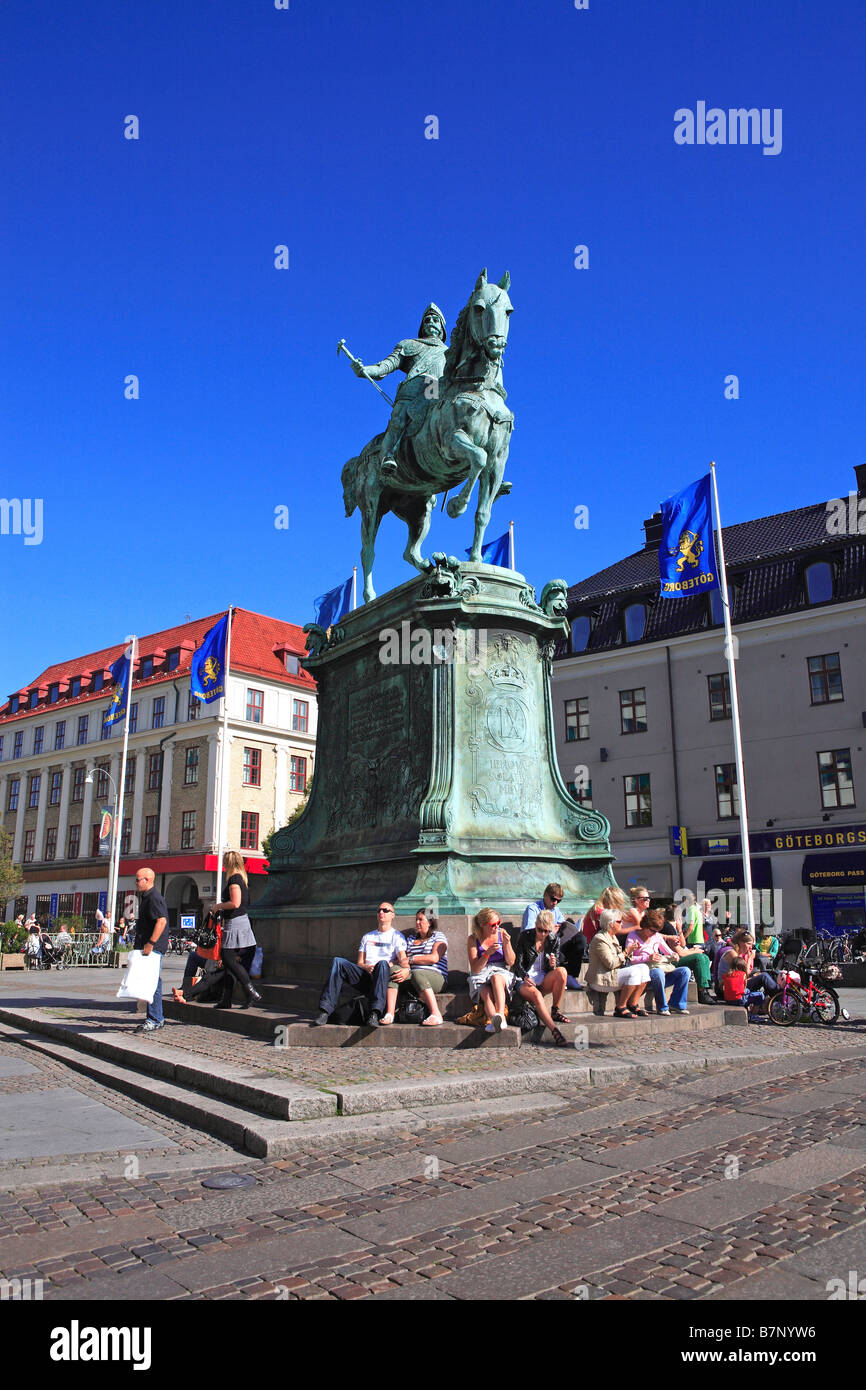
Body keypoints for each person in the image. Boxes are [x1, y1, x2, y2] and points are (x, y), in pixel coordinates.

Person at [350, 304, 448, 482]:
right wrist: (364, 370)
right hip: (411, 390)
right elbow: (385, 366)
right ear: (421, 326)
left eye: (435, 320)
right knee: (399, 419)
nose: (431, 323)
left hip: (435, 388)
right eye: (427, 320)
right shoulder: (409, 345)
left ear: (442, 327)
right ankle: (387, 456)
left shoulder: (450, 352)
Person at [312, 903, 410, 1028]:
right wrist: (367, 967)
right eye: (379, 910)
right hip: (366, 975)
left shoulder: (397, 936)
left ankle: (374, 1013)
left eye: (386, 910)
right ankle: (325, 1011)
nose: (381, 912)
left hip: (382, 977)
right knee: (338, 961)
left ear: (393, 915)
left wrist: (406, 968)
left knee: (383, 964)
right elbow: (360, 962)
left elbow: (402, 958)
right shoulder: (367, 936)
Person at [211, 850, 262, 1010]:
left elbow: (235, 903)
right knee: (229, 965)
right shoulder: (241, 878)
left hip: (236, 923)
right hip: (240, 922)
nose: (223, 865)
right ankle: (227, 998)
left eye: (225, 862)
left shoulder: (234, 879)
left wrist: (218, 906)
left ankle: (251, 991)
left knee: (228, 959)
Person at [511, 908, 569, 1046]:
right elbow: (517, 964)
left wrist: (553, 965)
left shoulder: (554, 939)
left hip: (542, 977)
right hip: (524, 978)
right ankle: (555, 1031)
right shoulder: (525, 936)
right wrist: (525, 976)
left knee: (562, 971)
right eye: (540, 930)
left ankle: (555, 1010)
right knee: (536, 995)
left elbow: (553, 967)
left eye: (547, 931)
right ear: (535, 926)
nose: (543, 934)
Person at [586, 907, 651, 1018]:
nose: (622, 924)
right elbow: (611, 963)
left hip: (612, 975)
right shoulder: (600, 939)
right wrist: (626, 952)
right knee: (634, 972)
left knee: (644, 968)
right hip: (601, 979)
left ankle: (632, 1004)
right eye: (619, 921)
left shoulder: (612, 937)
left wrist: (631, 951)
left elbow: (620, 960)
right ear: (611, 924)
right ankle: (620, 1007)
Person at [626, 908, 691, 1015]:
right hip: (643, 977)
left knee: (685, 971)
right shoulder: (633, 936)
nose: (654, 933)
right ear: (645, 926)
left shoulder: (655, 936)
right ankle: (662, 1007)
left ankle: (677, 1004)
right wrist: (648, 958)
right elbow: (630, 960)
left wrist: (674, 955)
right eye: (652, 930)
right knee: (658, 972)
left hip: (657, 974)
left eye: (656, 931)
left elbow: (668, 951)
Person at [132, 867, 169, 1033]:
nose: (136, 882)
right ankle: (156, 1017)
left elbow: (161, 921)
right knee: (153, 982)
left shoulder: (154, 897)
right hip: (147, 945)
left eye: (138, 879)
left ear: (147, 880)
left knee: (152, 982)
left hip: (153, 947)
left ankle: (154, 1018)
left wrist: (151, 943)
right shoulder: (146, 897)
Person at [468, 907, 516, 1033]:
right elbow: (475, 968)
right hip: (481, 971)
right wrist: (486, 954)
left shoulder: (501, 933)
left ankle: (500, 1015)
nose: (497, 927)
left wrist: (507, 943)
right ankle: (493, 1020)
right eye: (493, 925)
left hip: (499, 969)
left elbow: (511, 962)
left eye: (498, 923)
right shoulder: (473, 939)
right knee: (486, 993)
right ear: (483, 925)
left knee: (496, 978)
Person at [404, 909, 448, 1025]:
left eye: (421, 920)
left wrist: (412, 959)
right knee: (394, 971)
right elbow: (403, 959)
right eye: (416, 920)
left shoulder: (438, 936)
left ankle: (436, 1013)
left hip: (436, 977)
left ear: (430, 922)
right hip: (412, 976)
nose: (417, 922)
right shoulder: (411, 939)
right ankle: (389, 1013)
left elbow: (434, 958)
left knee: (418, 973)